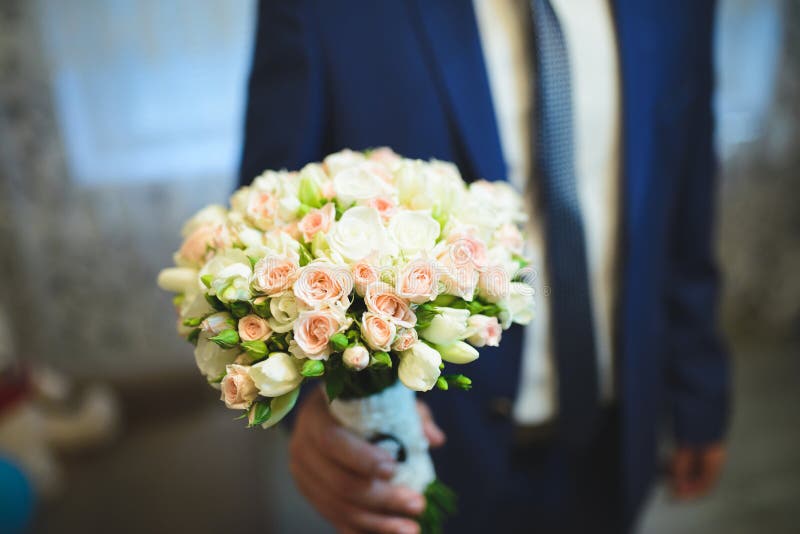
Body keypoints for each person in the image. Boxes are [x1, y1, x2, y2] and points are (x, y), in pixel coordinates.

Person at [239, 1, 731, 532]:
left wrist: (699, 388)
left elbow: (684, 204)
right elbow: (269, 228)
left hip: (618, 430)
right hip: (424, 451)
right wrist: (315, 401)